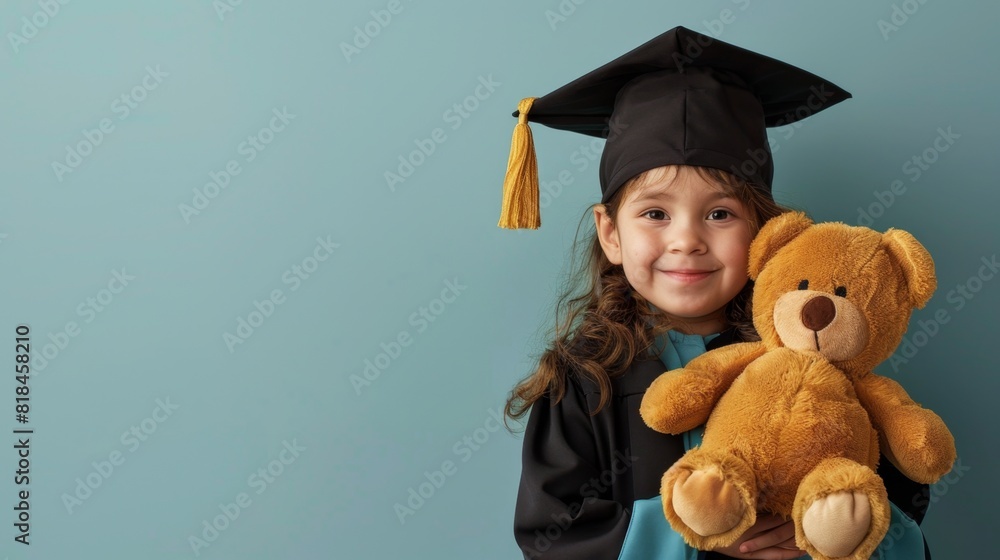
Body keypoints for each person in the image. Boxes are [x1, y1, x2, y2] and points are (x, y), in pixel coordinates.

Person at [498, 27, 932, 559]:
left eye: (720, 213)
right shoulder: (582, 381)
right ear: (610, 233)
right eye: (655, 213)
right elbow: (552, 534)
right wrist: (695, 526)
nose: (686, 240)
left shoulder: (818, 359)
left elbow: (900, 502)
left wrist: (839, 531)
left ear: (763, 233)